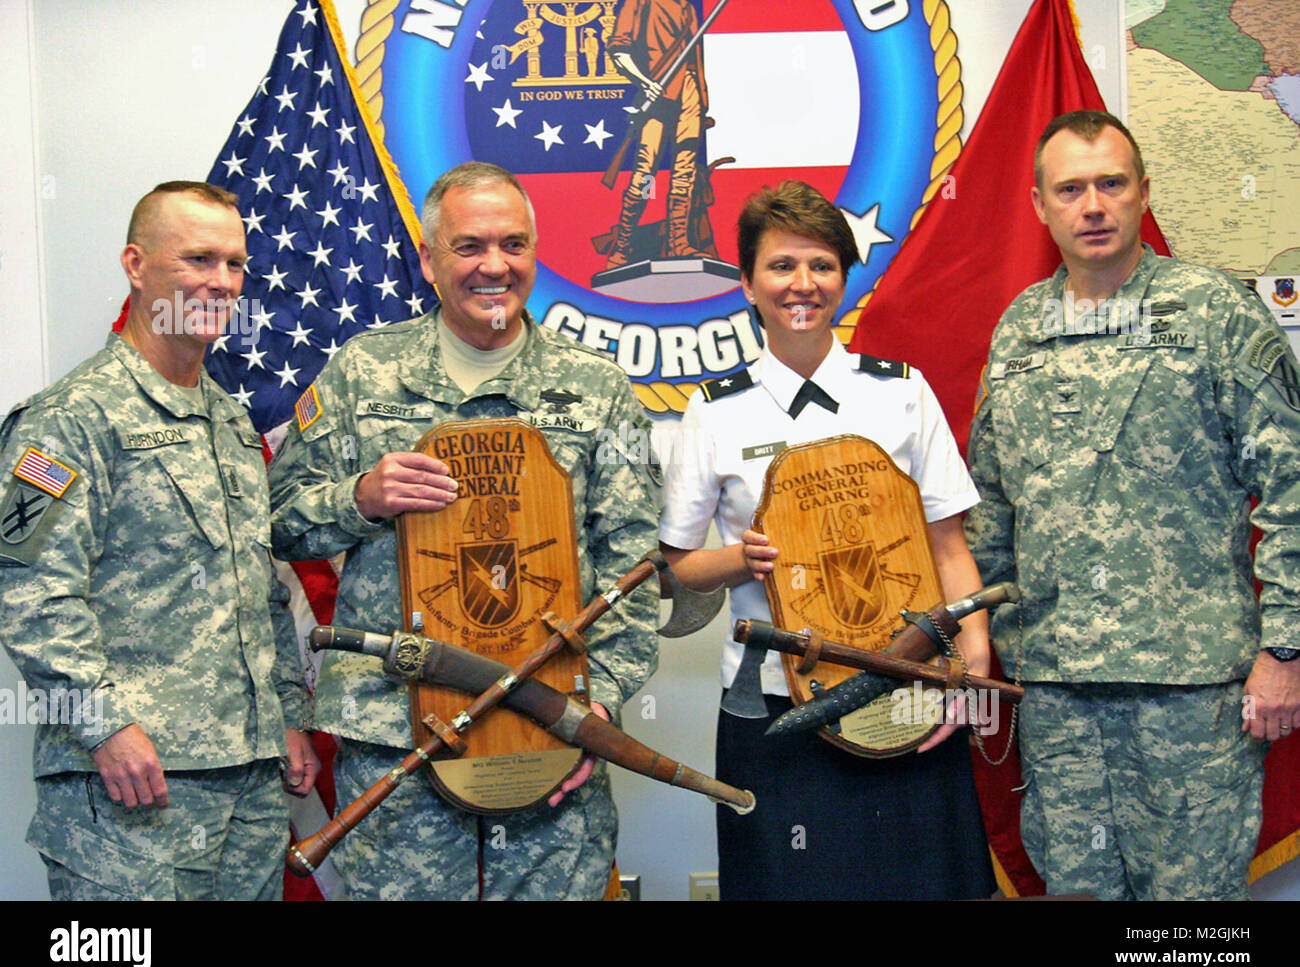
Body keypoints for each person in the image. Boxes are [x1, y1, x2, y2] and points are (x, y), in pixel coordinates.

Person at [267, 162, 659, 901]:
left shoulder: (598, 387)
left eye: (513, 244)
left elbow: (635, 563)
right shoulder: (364, 372)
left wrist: (595, 706)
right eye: (469, 245)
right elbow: (278, 520)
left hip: (552, 726)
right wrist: (361, 497)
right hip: (397, 734)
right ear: (428, 258)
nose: (494, 265)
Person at [965, 110, 1300, 900]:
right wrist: (986, 647)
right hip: (1057, 697)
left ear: (1142, 193)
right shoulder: (1019, 331)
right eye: (1071, 188)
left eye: (1112, 183)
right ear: (1041, 205)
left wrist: (1284, 651)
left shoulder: (1214, 312)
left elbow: (1291, 486)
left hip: (1193, 697)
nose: (1093, 205)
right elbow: (991, 507)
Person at [658, 180, 996, 899]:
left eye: (821, 264)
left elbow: (949, 547)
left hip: (906, 685)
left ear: (846, 276)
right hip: (776, 706)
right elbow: (680, 565)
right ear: (747, 283)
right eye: (780, 266)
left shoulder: (901, 391)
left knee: (924, 884)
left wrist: (969, 672)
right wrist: (738, 558)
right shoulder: (714, 411)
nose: (801, 284)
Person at [0, 180, 317, 900]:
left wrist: (286, 721)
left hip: (247, 786)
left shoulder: (232, 427)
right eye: (198, 259)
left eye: (236, 264)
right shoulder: (69, 420)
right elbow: (27, 587)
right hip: (130, 788)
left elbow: (258, 589)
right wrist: (104, 725)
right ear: (136, 265)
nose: (221, 281)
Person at [604, 0, 710, 267]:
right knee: (646, 176)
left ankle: (678, 245)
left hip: (691, 91)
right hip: (659, 94)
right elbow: (619, 50)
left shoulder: (687, 5)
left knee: (684, 172)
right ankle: (623, 247)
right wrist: (644, 82)